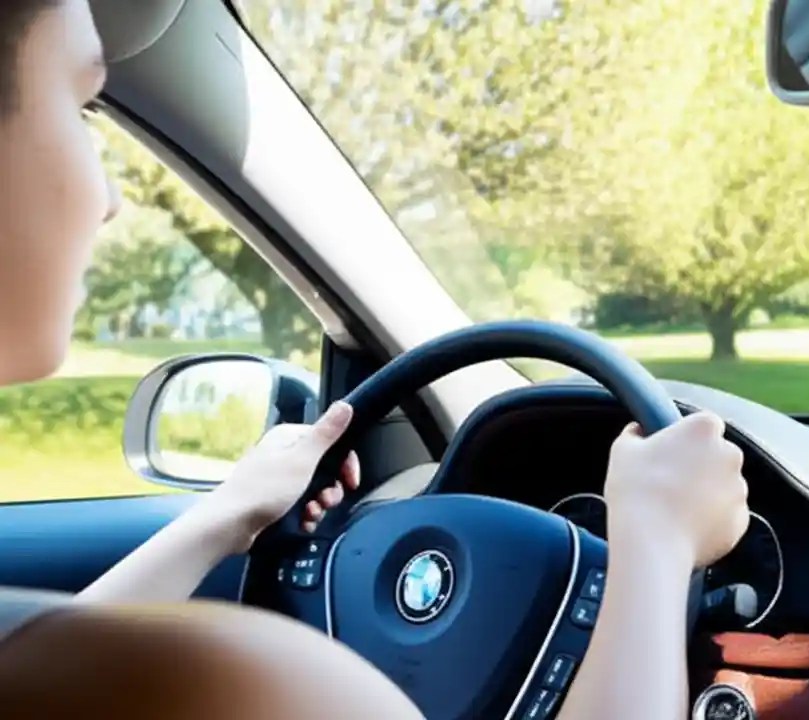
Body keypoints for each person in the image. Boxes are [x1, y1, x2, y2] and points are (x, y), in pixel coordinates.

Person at [0, 1, 751, 718]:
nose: (111, 201)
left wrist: (229, 516)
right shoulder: (257, 690)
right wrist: (655, 548)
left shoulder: (75, 676)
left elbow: (38, 656)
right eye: (84, 106)